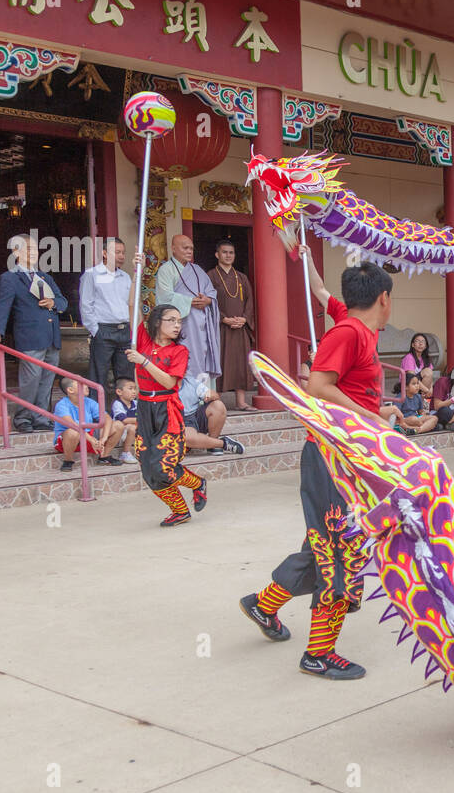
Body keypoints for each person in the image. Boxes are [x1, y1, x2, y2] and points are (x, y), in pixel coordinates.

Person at [238, 262, 394, 680]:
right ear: (384, 298)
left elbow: (322, 292)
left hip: (346, 455)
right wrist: (371, 419)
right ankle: (318, 654)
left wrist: (301, 255)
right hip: (333, 457)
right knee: (340, 550)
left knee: (321, 544)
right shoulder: (347, 333)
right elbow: (318, 387)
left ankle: (264, 603)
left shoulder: (351, 323)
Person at [126, 305, 207, 527]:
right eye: (171, 320)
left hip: (166, 409)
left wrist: (143, 362)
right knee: (148, 468)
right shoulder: (143, 342)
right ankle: (180, 511)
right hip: (144, 408)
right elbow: (133, 308)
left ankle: (197, 483)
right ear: (157, 322)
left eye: (179, 321)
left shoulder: (179, 351)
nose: (176, 325)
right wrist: (137, 272)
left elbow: (170, 382)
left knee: (163, 466)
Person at [0, 233, 68, 433]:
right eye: (29, 249)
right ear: (16, 252)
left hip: (51, 337)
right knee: (30, 380)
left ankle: (41, 416)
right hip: (30, 338)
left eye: (35, 249)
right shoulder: (10, 278)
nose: (34, 253)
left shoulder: (45, 276)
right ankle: (23, 417)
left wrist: (52, 303)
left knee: (47, 379)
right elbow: (2, 305)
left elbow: (63, 302)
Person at [152, 234, 222, 380]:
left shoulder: (197, 270)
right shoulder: (166, 270)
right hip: (183, 324)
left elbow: (211, 291)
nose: (189, 251)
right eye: (185, 248)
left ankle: (204, 394)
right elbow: (164, 297)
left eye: (191, 248)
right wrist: (190, 301)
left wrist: (208, 300)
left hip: (203, 325)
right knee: (186, 358)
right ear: (173, 249)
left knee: (203, 357)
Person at [79, 237, 133, 393]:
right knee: (98, 375)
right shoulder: (91, 274)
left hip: (124, 330)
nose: (122, 256)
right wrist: (95, 331)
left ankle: (124, 411)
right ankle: (97, 413)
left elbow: (130, 303)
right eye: (117, 252)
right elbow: (86, 305)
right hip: (104, 329)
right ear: (104, 253)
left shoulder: (125, 277)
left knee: (125, 376)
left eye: (123, 252)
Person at [208, 239, 257, 411]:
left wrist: (244, 318)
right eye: (224, 252)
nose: (228, 256)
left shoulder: (242, 277)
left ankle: (241, 401)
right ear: (217, 255)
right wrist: (223, 319)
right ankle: (216, 401)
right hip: (221, 328)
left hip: (240, 327)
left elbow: (251, 301)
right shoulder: (211, 276)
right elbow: (209, 302)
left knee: (241, 363)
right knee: (221, 361)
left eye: (231, 252)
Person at [52, 376, 124, 472]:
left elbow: (107, 418)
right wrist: (91, 440)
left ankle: (104, 456)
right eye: (81, 384)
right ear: (70, 390)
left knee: (118, 425)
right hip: (69, 439)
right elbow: (73, 425)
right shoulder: (62, 405)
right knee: (73, 432)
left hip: (88, 436)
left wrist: (104, 438)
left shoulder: (89, 402)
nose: (86, 385)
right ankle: (68, 460)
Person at [179, 369, 245, 455]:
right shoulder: (161, 384)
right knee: (186, 437)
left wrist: (209, 395)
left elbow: (213, 394)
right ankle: (221, 443)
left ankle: (213, 444)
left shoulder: (191, 381)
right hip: (178, 421)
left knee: (218, 406)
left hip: (194, 417)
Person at [111, 377, 139, 464]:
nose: (134, 391)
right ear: (119, 392)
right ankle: (125, 453)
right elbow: (124, 420)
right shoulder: (117, 404)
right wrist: (141, 420)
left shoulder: (136, 403)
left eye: (135, 389)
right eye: (130, 389)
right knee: (132, 427)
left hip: (134, 430)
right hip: (120, 433)